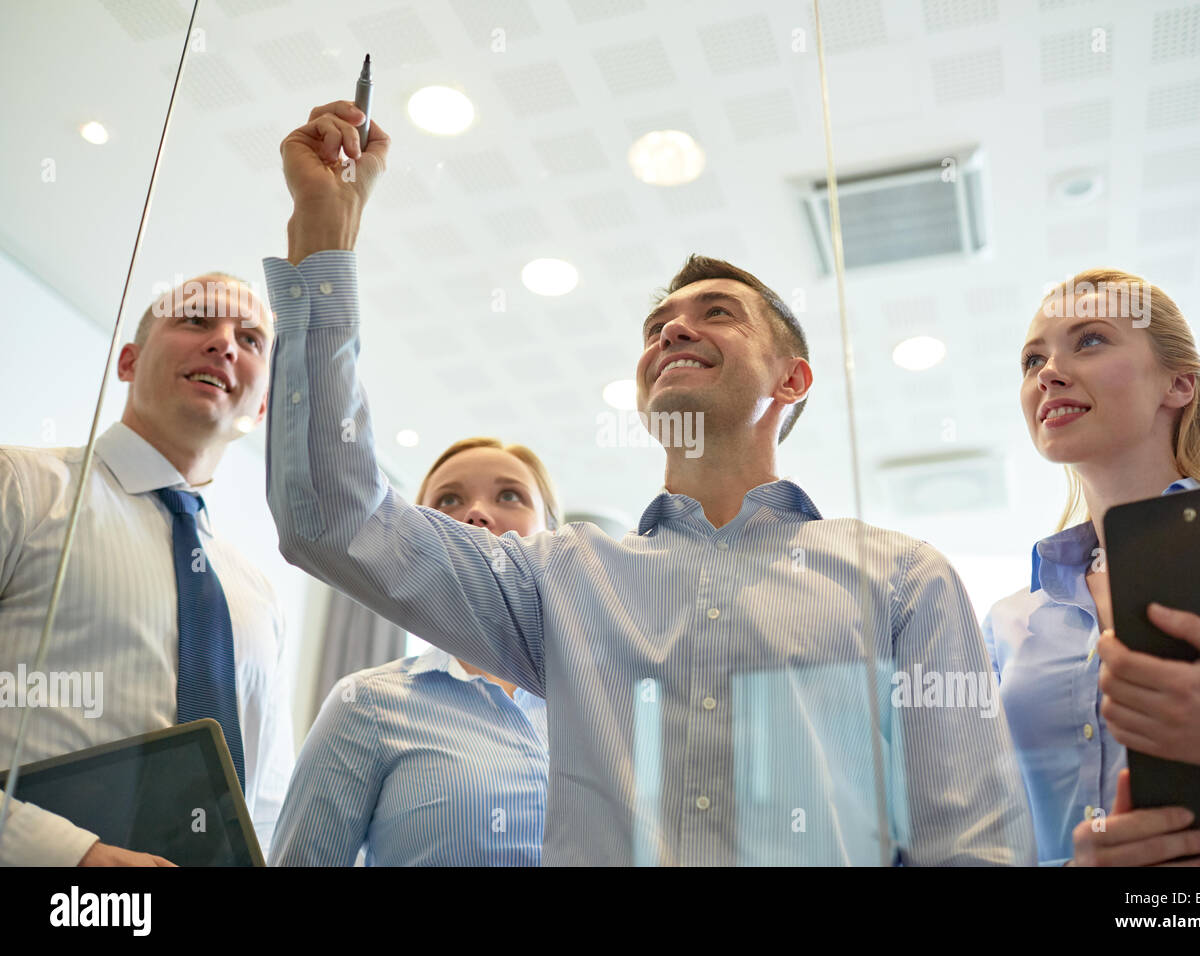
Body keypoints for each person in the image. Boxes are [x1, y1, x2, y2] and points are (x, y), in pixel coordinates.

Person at [261, 101, 1035, 865]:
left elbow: (973, 847)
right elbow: (330, 517)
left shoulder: (902, 581)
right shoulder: (557, 583)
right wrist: (325, 233)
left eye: (718, 313)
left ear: (792, 379)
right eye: (657, 325)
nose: (672, 329)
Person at [984, 268, 1200, 866]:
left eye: (1092, 339)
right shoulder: (1006, 625)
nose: (1047, 372)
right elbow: (977, 840)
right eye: (1031, 361)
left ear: (1178, 383)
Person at [0, 274, 294, 865]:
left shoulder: (258, 595)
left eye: (251, 339)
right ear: (129, 360)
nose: (224, 344)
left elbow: (266, 801)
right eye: (195, 321)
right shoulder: (21, 489)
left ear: (260, 407)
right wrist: (66, 855)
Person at [269, 437, 554, 866]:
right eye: (449, 499)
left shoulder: (600, 705)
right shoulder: (366, 704)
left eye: (510, 495)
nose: (476, 512)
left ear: (553, 532)